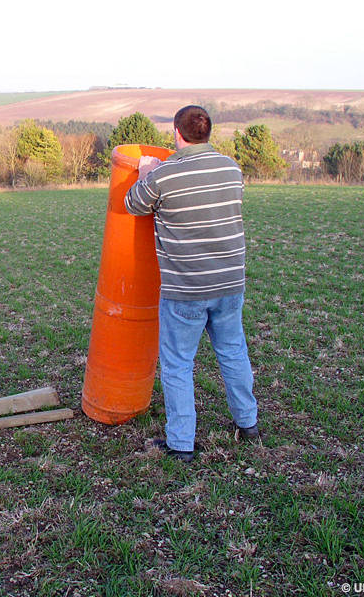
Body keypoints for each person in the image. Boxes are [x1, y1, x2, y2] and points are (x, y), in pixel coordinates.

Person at [124, 105, 259, 463]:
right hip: (230, 282)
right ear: (208, 132)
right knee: (233, 351)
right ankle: (248, 424)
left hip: (186, 289)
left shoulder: (164, 175)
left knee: (178, 364)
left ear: (176, 133)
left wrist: (144, 173)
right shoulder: (231, 167)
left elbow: (133, 204)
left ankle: (181, 444)